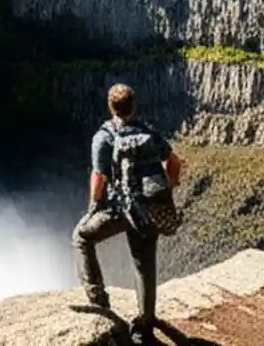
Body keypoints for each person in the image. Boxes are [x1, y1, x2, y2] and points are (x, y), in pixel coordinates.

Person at [72, 83, 183, 343]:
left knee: (81, 237)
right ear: (134, 106)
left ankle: (99, 302)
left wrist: (94, 207)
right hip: (149, 208)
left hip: (119, 208)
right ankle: (145, 324)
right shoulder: (149, 133)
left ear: (111, 107)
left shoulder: (104, 137)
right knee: (144, 265)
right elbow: (174, 162)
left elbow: (99, 177)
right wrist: (168, 188)